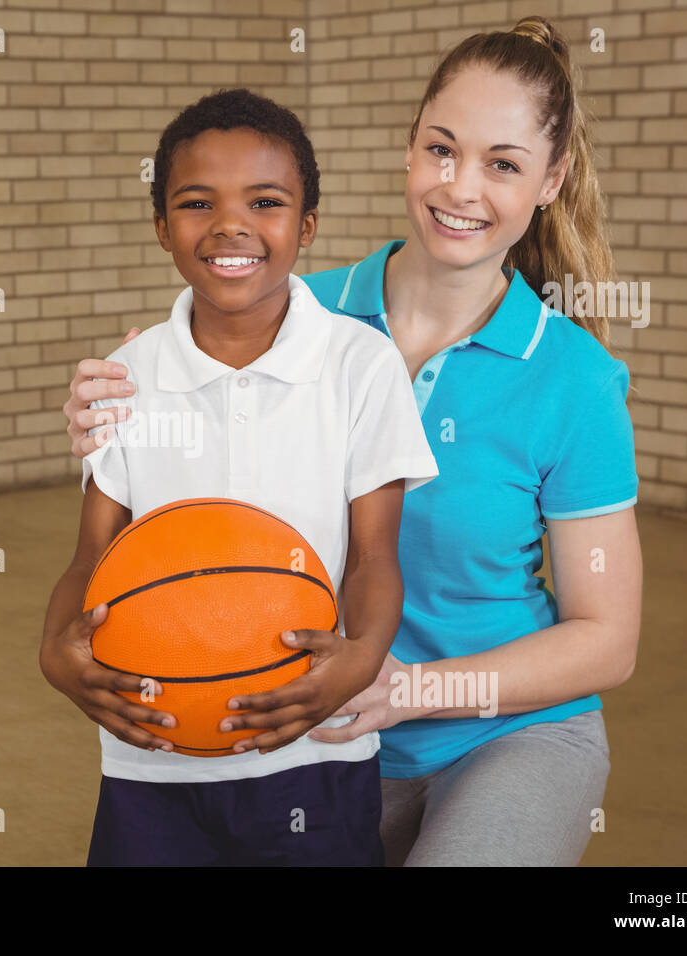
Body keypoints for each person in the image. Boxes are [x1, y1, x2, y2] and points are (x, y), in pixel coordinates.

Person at [60, 17, 643, 866]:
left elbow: (607, 639)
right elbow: (161, 399)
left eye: (503, 164)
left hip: (496, 733)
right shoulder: (285, 306)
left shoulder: (574, 381)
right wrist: (104, 404)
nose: (461, 188)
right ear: (410, 150)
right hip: (302, 734)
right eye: (442, 149)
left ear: (551, 181)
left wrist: (407, 691)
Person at [39, 88, 439, 866]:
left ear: (306, 225)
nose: (230, 224)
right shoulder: (129, 374)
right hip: (151, 746)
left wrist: (358, 661)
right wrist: (56, 649)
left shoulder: (360, 368)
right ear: (162, 226)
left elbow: (373, 558)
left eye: (265, 200)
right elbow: (92, 556)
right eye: (196, 202)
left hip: (310, 746)